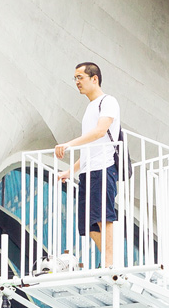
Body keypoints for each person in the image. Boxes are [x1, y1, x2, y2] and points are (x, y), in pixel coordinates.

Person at [53, 62, 124, 268]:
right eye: (75, 78)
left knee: (103, 217)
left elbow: (100, 132)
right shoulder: (90, 107)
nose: (77, 82)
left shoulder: (108, 101)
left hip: (104, 167)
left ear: (95, 79)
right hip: (88, 171)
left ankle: (110, 264)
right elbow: (88, 148)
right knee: (90, 224)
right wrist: (69, 171)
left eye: (80, 77)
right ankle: (111, 261)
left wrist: (68, 144)